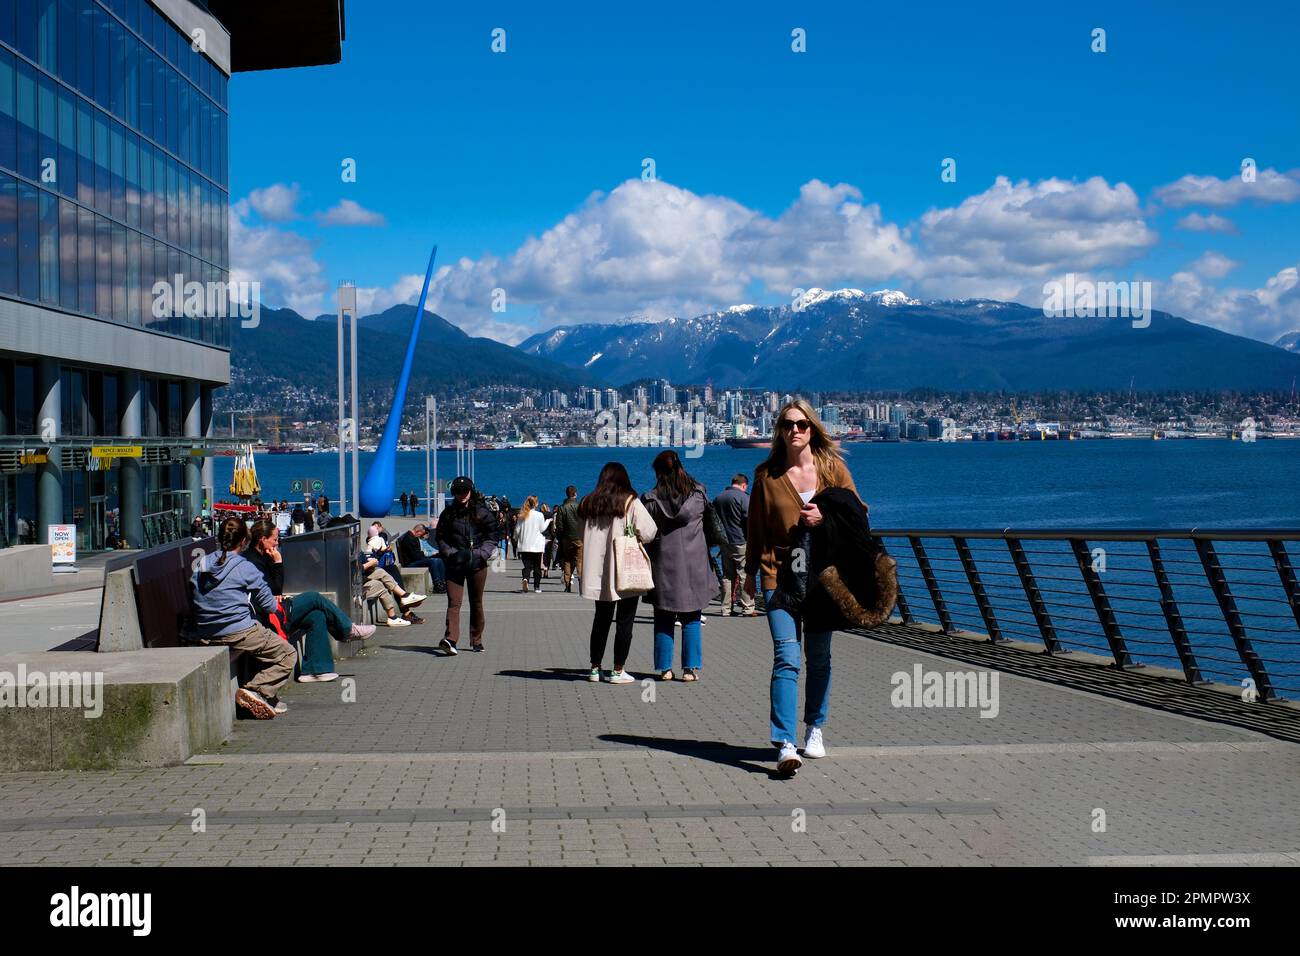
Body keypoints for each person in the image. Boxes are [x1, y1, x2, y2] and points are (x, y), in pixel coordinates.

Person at [745, 399, 861, 776]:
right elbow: (756, 530)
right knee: (787, 657)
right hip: (777, 576)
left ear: (812, 429)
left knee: (819, 657)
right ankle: (785, 742)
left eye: (802, 424)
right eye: (787, 425)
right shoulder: (767, 476)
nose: (795, 430)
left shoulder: (833, 470)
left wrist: (826, 515)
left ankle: (814, 728)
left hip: (821, 577)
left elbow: (859, 513)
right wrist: (748, 575)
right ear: (779, 431)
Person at [190, 516, 297, 719]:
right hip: (238, 632)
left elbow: (195, 592)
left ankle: (255, 692)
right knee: (288, 654)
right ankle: (256, 690)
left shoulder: (202, 562)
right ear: (243, 542)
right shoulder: (245, 566)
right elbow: (269, 605)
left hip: (205, 630)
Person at [246, 519, 376, 681]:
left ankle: (316, 670)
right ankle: (347, 629)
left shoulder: (263, 557)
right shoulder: (252, 562)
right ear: (263, 540)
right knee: (314, 597)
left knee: (316, 616)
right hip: (271, 615)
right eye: (274, 539)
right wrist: (278, 562)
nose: (277, 542)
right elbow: (274, 589)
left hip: (275, 608)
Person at [579, 462, 657, 683]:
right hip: (625, 569)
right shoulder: (630, 502)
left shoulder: (587, 503)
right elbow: (649, 531)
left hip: (598, 572)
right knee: (625, 621)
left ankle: (595, 668)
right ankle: (618, 669)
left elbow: (579, 533)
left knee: (601, 620)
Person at [642, 450, 714, 683]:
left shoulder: (650, 500)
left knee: (663, 618)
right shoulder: (698, 495)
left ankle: (664, 669)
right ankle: (690, 670)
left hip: (662, 565)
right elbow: (711, 527)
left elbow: (644, 533)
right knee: (691, 618)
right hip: (694, 565)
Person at [433, 476, 502, 654]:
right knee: (454, 602)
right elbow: (440, 536)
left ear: (471, 491)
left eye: (465, 491)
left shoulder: (482, 512)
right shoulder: (448, 514)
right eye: (458, 491)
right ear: (453, 493)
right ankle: (450, 639)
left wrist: (482, 553)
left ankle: (476, 640)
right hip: (454, 562)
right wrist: (450, 553)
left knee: (476, 602)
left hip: (477, 563)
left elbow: (493, 534)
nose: (462, 494)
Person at [359, 535, 426, 627]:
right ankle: (398, 613)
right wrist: (370, 562)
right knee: (382, 582)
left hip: (361, 577)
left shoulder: (353, 547)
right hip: (354, 584)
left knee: (386, 570)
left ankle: (404, 597)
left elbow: (363, 563)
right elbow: (352, 571)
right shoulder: (344, 550)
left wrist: (374, 560)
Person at [714, 473, 756, 616]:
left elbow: (714, 519)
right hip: (740, 541)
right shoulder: (744, 497)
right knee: (744, 574)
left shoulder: (719, 497)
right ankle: (747, 607)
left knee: (727, 575)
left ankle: (726, 608)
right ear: (744, 485)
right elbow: (749, 519)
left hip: (724, 541)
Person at [513, 495, 552, 593]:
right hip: (537, 546)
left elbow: (517, 531)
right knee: (537, 567)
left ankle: (525, 579)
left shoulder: (522, 515)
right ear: (536, 504)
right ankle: (537, 587)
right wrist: (548, 521)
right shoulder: (539, 515)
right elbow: (542, 529)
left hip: (524, 545)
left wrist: (515, 539)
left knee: (527, 566)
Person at [395, 522, 447, 593]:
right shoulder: (409, 539)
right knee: (433, 561)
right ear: (418, 531)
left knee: (439, 560)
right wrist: (426, 555)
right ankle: (437, 585)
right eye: (421, 534)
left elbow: (418, 554)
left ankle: (443, 582)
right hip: (410, 563)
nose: (421, 536)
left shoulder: (413, 537)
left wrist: (426, 555)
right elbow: (415, 556)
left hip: (416, 559)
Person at [553, 485, 583, 593]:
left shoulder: (562, 508)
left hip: (566, 538)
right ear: (575, 494)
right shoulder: (580, 506)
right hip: (579, 537)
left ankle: (567, 584)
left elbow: (559, 525)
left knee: (567, 560)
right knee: (580, 560)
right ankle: (581, 581)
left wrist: (560, 537)